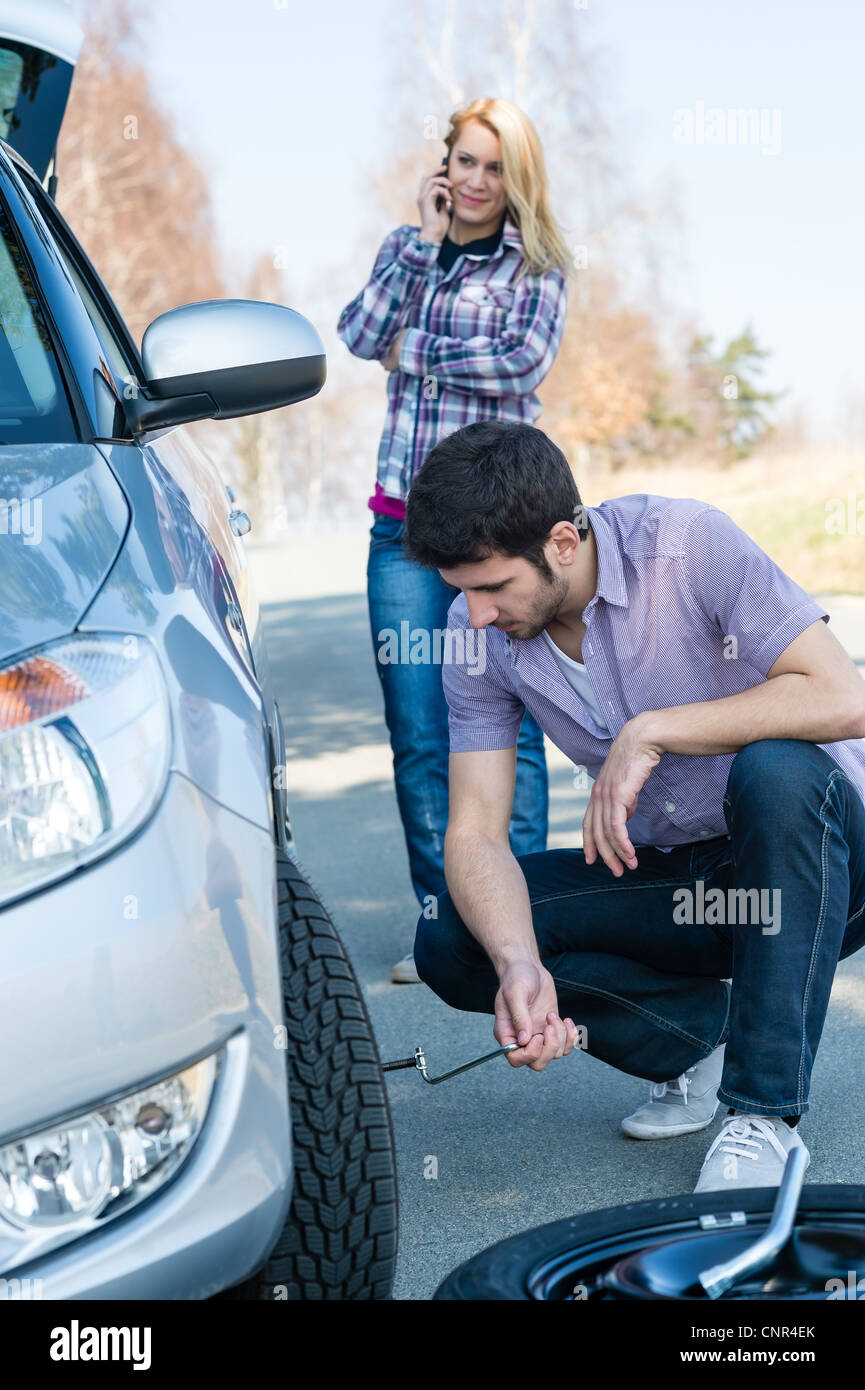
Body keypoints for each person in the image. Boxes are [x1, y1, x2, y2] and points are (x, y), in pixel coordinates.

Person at [404, 419, 865, 1192]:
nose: (475, 614)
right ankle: (693, 1039)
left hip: (822, 867)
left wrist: (654, 732)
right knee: (453, 935)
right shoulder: (474, 633)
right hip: (687, 887)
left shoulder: (684, 545)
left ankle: (761, 1117)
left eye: (490, 587)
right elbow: (476, 831)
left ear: (560, 541)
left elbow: (842, 697)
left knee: (776, 769)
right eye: (462, 593)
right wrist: (518, 962)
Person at [337, 99, 573, 982]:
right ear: (444, 168)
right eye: (463, 162)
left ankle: (529, 919)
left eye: (492, 167)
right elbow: (359, 335)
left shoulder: (539, 266)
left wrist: (415, 347)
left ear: (517, 179)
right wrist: (423, 249)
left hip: (495, 534)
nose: (475, 181)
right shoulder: (409, 250)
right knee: (420, 732)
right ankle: (445, 930)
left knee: (507, 727)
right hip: (401, 533)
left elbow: (520, 363)